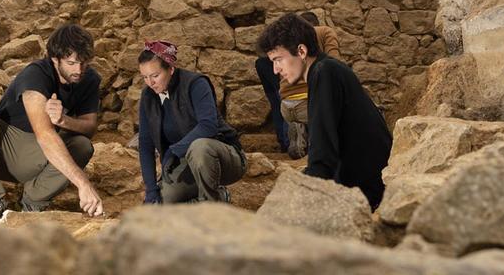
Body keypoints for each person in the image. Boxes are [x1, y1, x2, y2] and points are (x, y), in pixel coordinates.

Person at [0, 24, 103, 218]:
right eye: (71, 63)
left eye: (84, 63)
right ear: (55, 59)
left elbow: (90, 126)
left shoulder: (89, 79)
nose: (79, 69)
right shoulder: (36, 73)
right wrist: (83, 184)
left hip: (36, 158)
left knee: (82, 145)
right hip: (3, 151)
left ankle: (33, 203)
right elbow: (44, 134)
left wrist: (63, 120)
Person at [258, 13, 392, 210]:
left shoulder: (324, 73)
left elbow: (323, 157)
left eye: (278, 59)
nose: (275, 70)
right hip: (361, 185)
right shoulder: (325, 69)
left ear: (301, 51)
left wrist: (291, 202)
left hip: (365, 193)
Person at [137, 40, 246, 204]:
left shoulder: (196, 84)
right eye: (145, 77)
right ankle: (217, 198)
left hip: (222, 159)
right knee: (157, 207)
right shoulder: (148, 96)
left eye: (155, 76)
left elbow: (208, 126)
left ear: (171, 69)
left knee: (199, 147)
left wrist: (174, 151)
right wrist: (151, 190)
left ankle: (210, 204)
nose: (150, 83)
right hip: (185, 164)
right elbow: (145, 144)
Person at [255, 12, 340, 159]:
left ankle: (294, 130)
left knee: (281, 104)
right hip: (308, 103)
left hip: (286, 104)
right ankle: (318, 143)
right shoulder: (325, 31)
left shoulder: (287, 42)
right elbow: (335, 63)